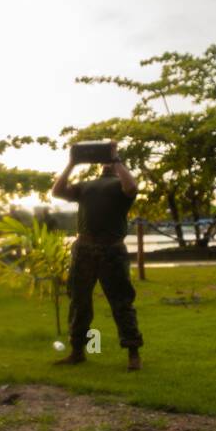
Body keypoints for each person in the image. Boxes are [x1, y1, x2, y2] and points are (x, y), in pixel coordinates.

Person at [51, 141, 143, 370]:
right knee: (79, 301)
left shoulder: (121, 184)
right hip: (84, 249)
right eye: (102, 159)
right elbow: (57, 191)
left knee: (122, 302)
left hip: (112, 250)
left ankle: (133, 352)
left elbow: (132, 188)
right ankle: (77, 351)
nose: (104, 163)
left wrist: (116, 159)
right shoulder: (86, 185)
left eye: (108, 159)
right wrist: (72, 162)